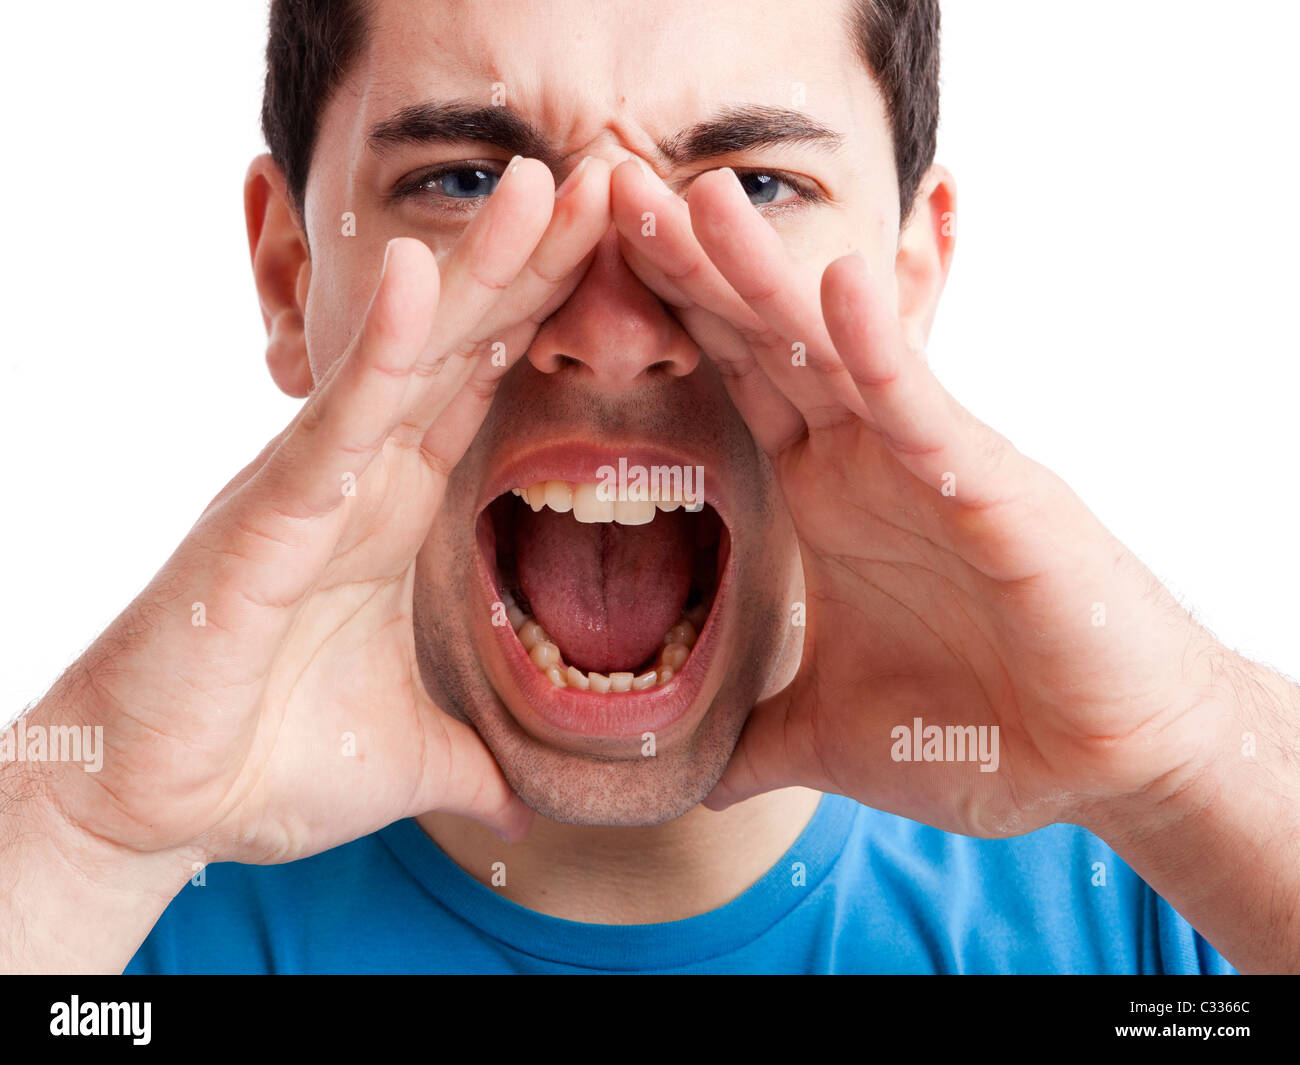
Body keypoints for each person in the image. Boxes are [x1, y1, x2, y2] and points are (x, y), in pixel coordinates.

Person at [2, 0, 1295, 975]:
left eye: (754, 187)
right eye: (465, 180)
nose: (616, 330)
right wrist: (73, 827)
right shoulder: (112, 925)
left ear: (908, 278)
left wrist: (1186, 753)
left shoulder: (1162, 895)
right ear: (291, 275)